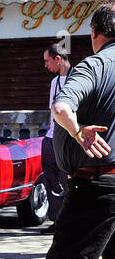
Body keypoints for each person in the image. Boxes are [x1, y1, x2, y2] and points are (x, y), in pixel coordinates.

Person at [0, 2, 115, 259]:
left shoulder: (96, 65)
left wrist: (79, 132)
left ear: (95, 34)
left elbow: (61, 108)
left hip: (97, 183)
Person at [38, 41, 73, 229]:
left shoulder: (77, 78)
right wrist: (48, 134)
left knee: (66, 180)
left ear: (58, 59)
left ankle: (69, 222)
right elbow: (52, 109)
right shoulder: (54, 81)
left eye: (47, 61)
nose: (46, 65)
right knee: (50, 179)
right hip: (51, 138)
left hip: (68, 139)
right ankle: (57, 219)